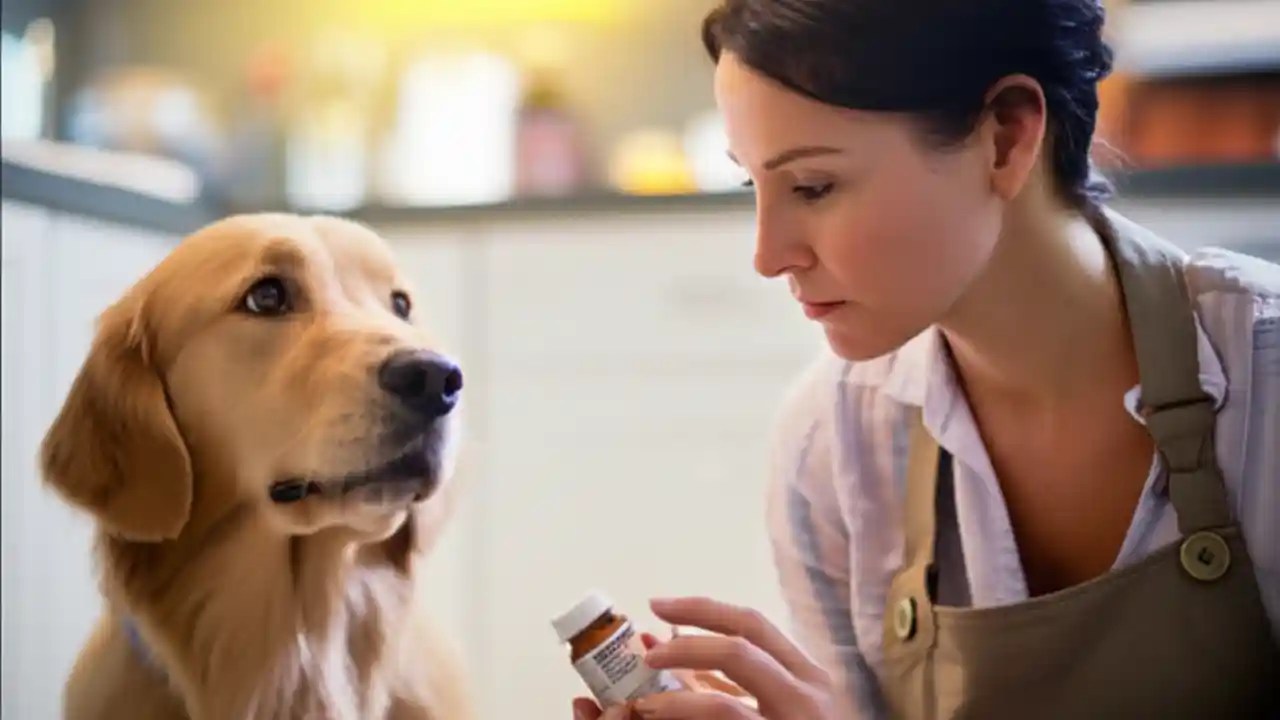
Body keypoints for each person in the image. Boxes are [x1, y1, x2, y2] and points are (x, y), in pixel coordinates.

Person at [574, 0, 1280, 718]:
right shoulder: (833, 444)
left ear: (1006, 136)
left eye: (814, 186)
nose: (767, 255)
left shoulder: (1266, 380)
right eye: (753, 186)